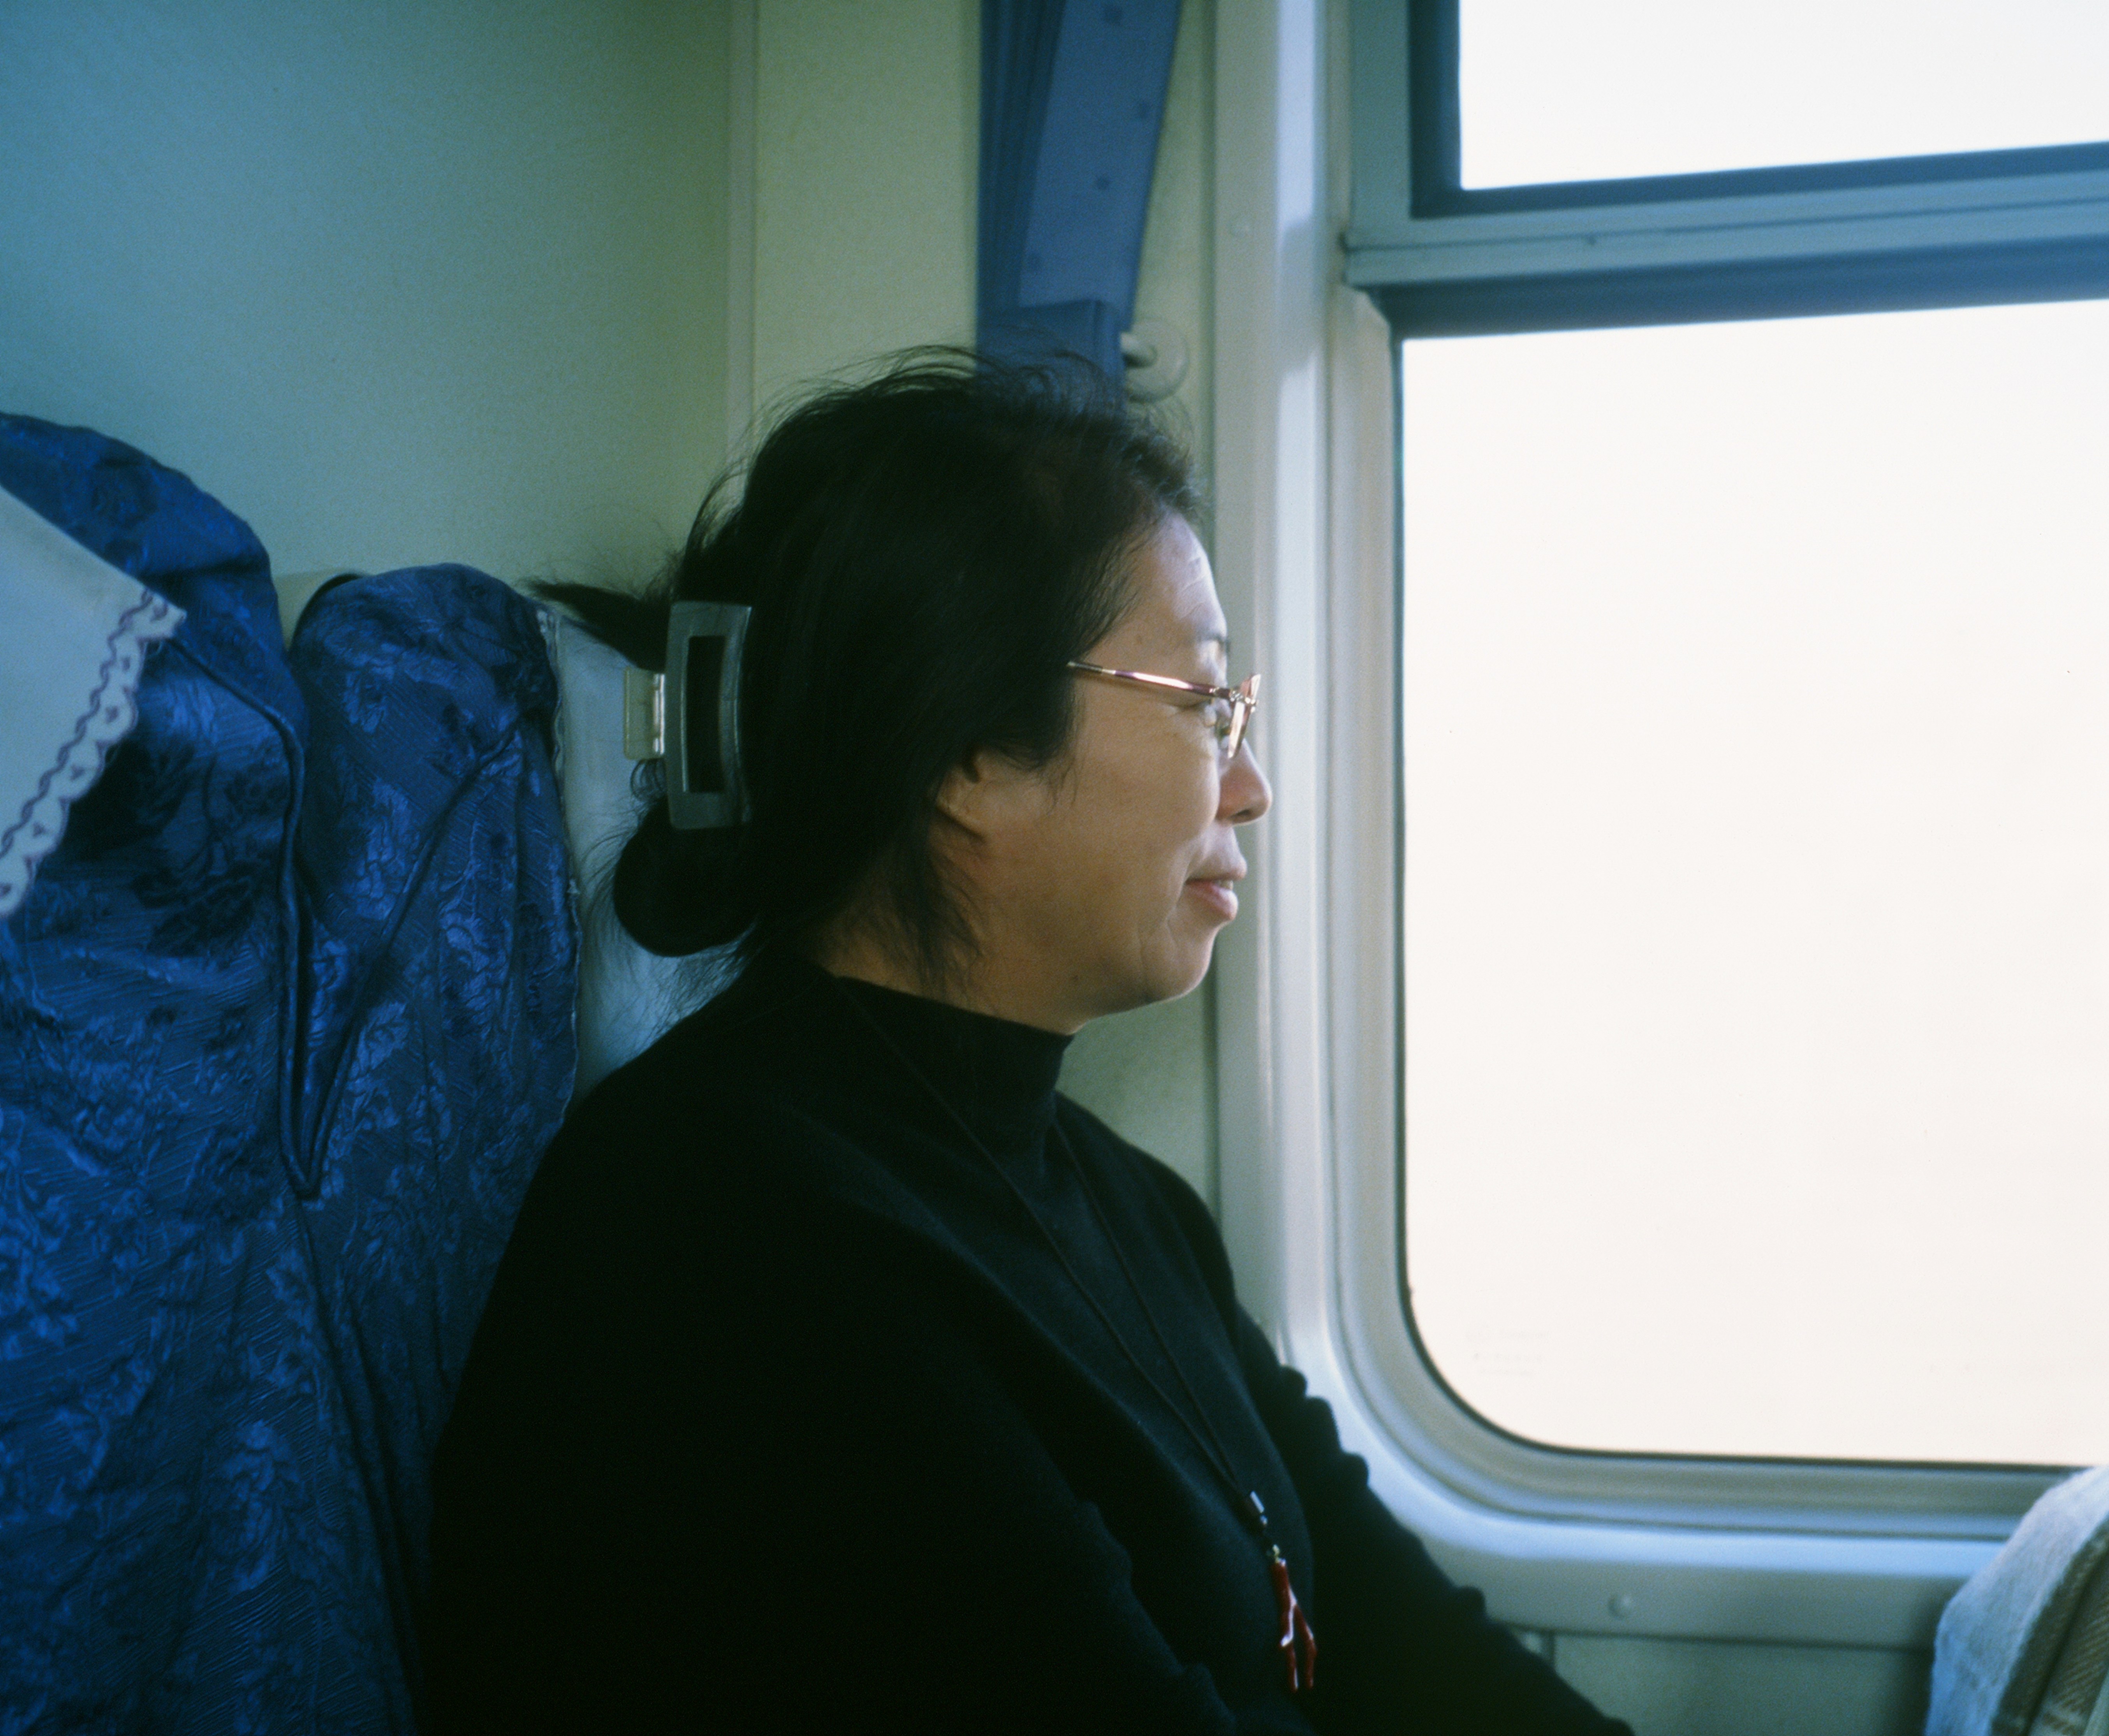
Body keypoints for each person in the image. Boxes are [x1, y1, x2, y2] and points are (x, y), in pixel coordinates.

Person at [423, 354, 1630, 1734]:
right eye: (1205, 705)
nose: (1253, 782)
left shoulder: (1131, 1206)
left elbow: (1405, 1640)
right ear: (970, 754)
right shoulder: (731, 1245)